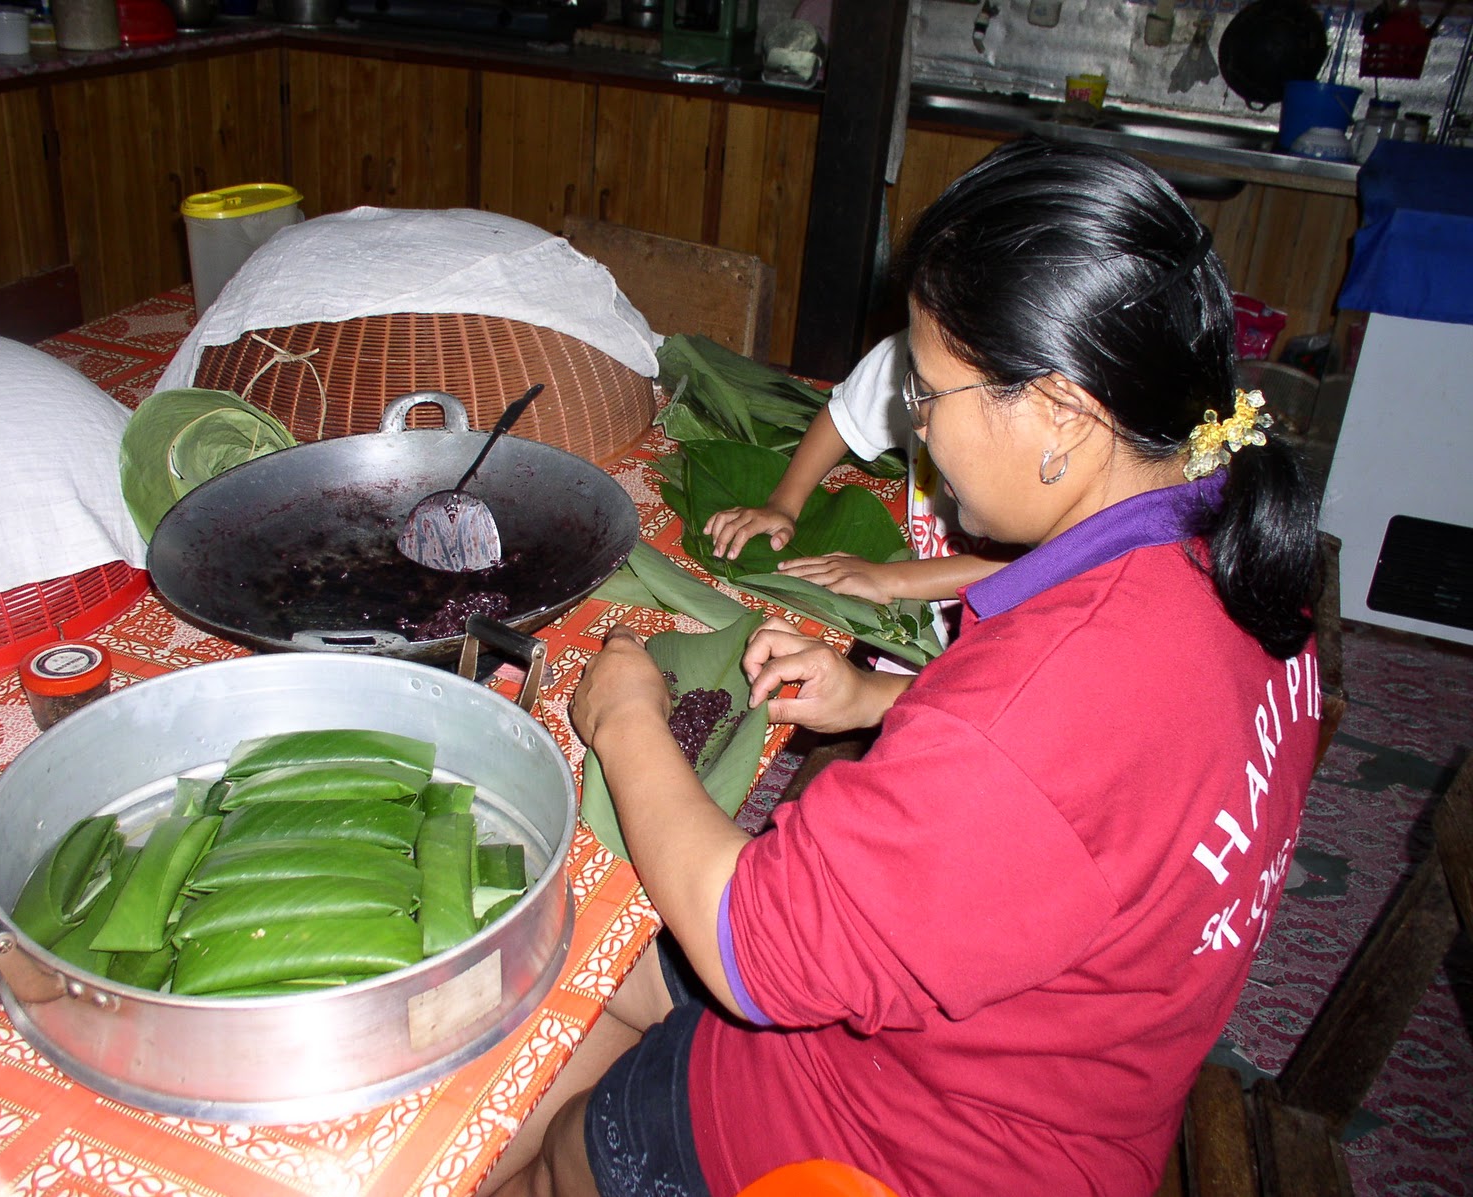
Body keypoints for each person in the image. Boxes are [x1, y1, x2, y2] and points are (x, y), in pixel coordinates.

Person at [484, 138, 1324, 1197]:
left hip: (905, 1145)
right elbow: (1096, 799)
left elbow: (751, 953)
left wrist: (624, 718)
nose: (914, 428)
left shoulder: (1045, 703)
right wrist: (881, 696)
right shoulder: (1231, 552)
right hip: (1051, 1051)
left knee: (575, 1135)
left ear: (1061, 411)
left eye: (927, 394)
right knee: (587, 980)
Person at [702, 330, 1016, 634]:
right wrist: (784, 503)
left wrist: (892, 579)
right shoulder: (919, 348)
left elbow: (1045, 565)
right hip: (923, 620)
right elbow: (845, 418)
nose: (921, 428)